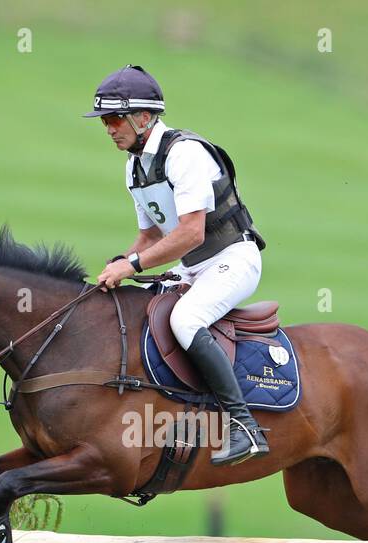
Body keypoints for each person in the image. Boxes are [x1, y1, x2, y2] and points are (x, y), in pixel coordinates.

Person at [86, 65, 270, 466]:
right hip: (193, 267)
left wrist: (132, 265)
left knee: (185, 320)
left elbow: (191, 234)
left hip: (232, 259)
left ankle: (245, 427)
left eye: (115, 119)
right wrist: (121, 262)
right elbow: (150, 237)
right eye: (105, 121)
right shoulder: (134, 166)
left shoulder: (184, 153)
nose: (109, 128)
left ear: (144, 117)